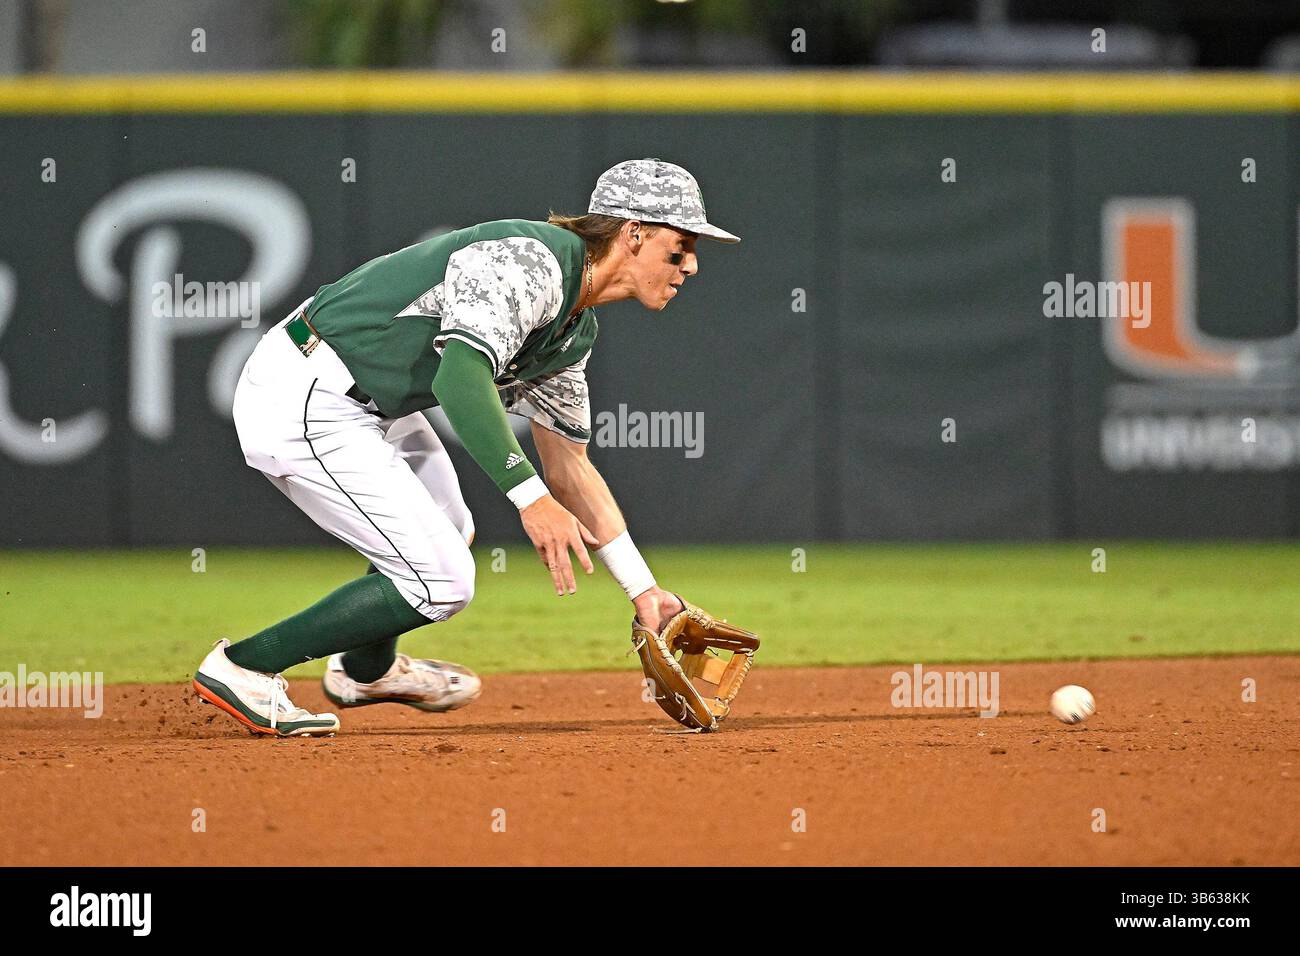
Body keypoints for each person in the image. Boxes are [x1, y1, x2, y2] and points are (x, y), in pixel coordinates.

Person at [191, 158, 740, 736]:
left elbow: (569, 468)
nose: (692, 265)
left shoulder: (574, 331)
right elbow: (458, 381)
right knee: (442, 581)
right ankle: (244, 666)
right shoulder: (531, 261)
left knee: (446, 535)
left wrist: (643, 590)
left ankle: (364, 670)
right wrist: (529, 500)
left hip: (365, 402)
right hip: (304, 389)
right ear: (633, 233)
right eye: (680, 247)